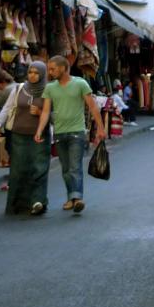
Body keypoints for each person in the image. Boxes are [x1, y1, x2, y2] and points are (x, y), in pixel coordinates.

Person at [34, 56, 106, 214]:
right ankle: (70, 198)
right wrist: (39, 130)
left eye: (53, 69)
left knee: (75, 167)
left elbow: (93, 107)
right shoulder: (50, 88)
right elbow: (46, 111)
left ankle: (78, 198)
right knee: (66, 169)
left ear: (63, 68)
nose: (50, 72)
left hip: (77, 132)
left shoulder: (80, 83)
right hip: (59, 133)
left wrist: (101, 128)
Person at [0, 61, 49, 215]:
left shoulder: (49, 91)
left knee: (39, 168)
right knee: (18, 169)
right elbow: (7, 109)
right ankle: (17, 204)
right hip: (18, 135)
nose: (33, 75)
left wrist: (41, 113)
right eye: (31, 72)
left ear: (43, 74)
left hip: (40, 135)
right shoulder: (19, 89)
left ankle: (38, 201)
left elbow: (56, 114)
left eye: (37, 73)